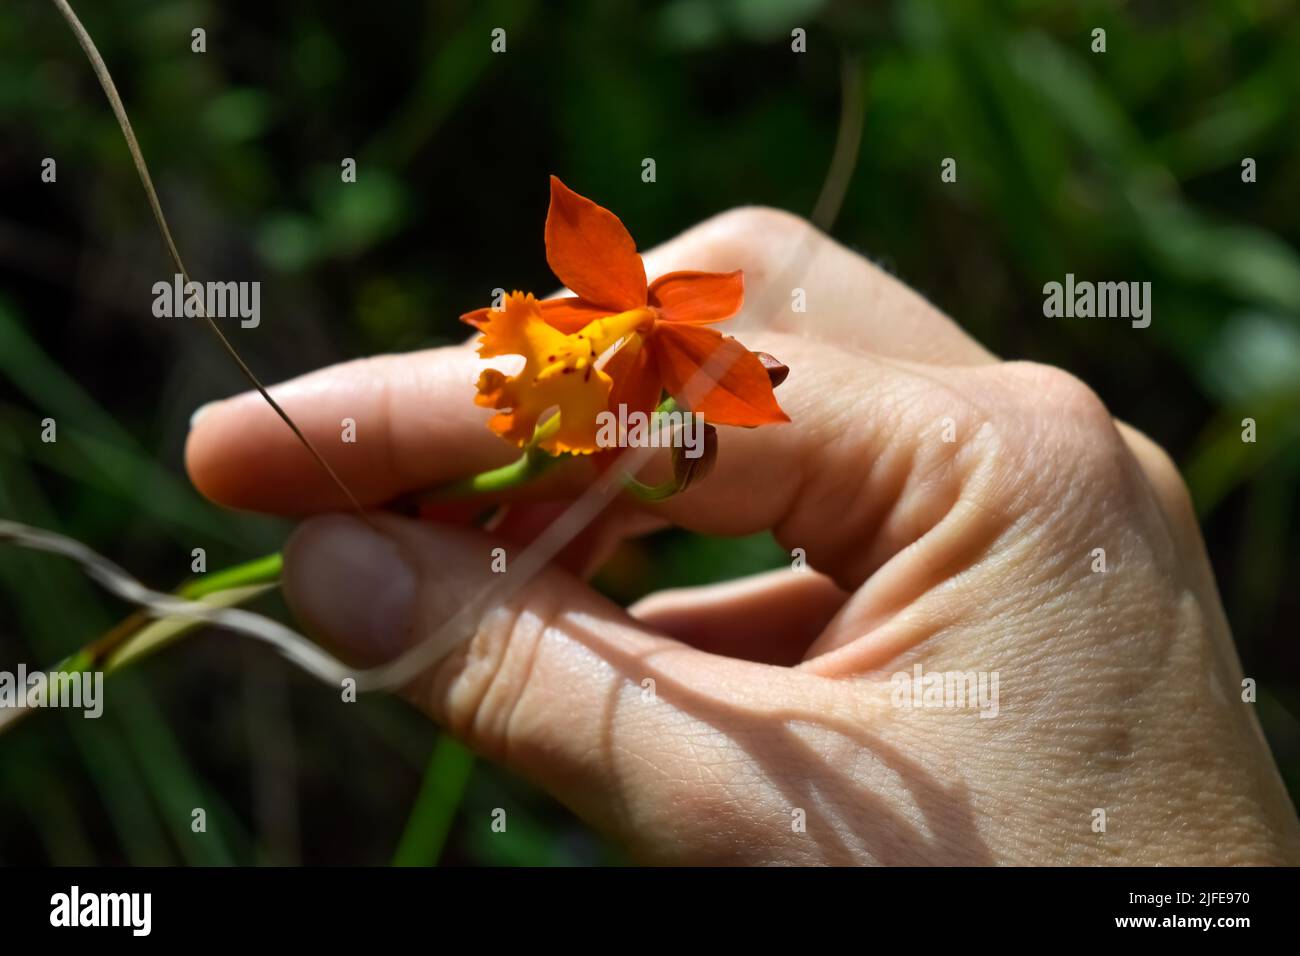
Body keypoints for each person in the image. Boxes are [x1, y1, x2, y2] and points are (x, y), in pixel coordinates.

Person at [185, 207, 1300, 865]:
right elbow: (526, 335)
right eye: (586, 336)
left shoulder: (691, 371)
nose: (594, 345)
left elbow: (735, 398)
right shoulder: (590, 328)